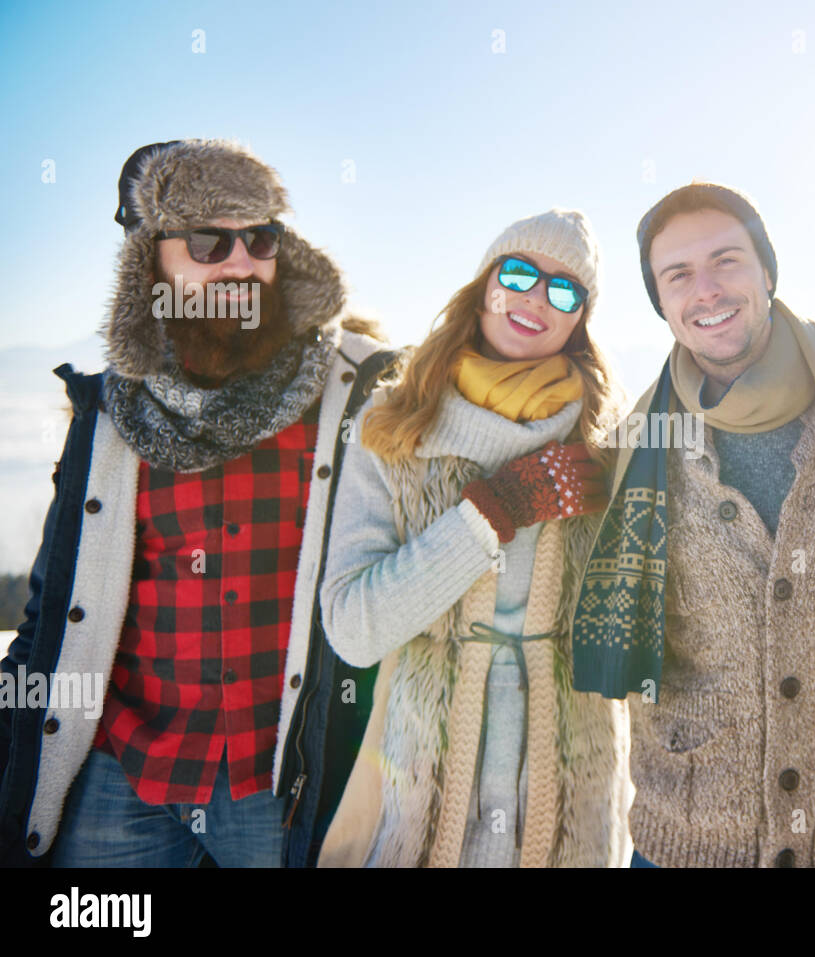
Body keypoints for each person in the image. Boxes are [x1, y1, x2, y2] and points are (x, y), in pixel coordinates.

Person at [0, 139, 397, 867]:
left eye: (261, 237)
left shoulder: (355, 392)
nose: (240, 261)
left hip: (280, 779)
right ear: (151, 262)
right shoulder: (110, 416)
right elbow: (54, 603)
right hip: (126, 770)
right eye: (210, 241)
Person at [571, 183, 815, 867]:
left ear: (768, 273)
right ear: (661, 302)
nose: (707, 289)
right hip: (683, 844)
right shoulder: (636, 444)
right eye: (678, 274)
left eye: (726, 260)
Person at [316, 209, 632, 867]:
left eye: (565, 290)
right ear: (485, 285)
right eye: (519, 272)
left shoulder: (608, 444)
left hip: (572, 804)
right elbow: (354, 628)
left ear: (580, 320)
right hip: (422, 803)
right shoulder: (394, 425)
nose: (537, 297)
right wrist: (490, 514)